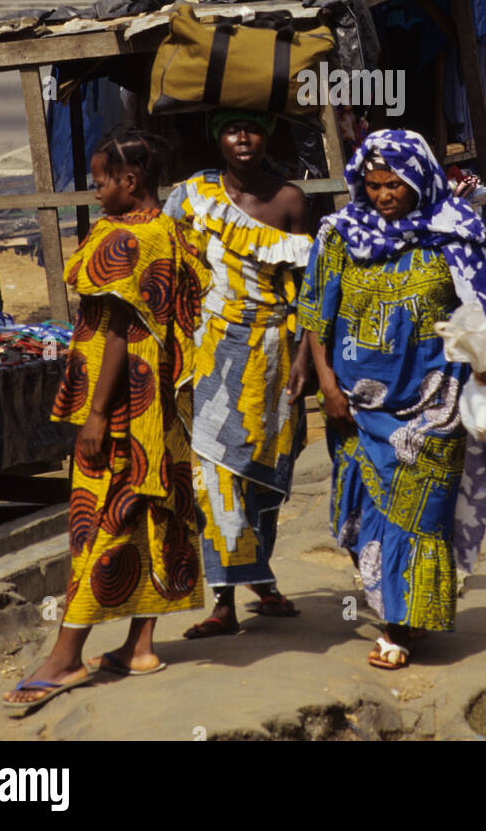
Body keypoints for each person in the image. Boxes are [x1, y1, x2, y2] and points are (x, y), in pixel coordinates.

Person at [297, 130, 486, 671]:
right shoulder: (339, 234)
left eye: (397, 185)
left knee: (420, 516)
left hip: (436, 402)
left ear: (420, 182)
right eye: (376, 184)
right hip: (357, 407)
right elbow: (316, 315)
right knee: (366, 509)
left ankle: (396, 629)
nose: (385, 195)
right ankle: (402, 610)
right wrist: (327, 387)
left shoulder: (454, 233)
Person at [3, 132, 208, 713]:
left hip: (122, 406)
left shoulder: (125, 236)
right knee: (150, 514)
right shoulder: (168, 231)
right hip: (160, 402)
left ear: (131, 181)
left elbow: (118, 331)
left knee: (100, 524)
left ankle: (66, 657)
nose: (95, 189)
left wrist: (95, 413)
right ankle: (139, 647)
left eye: (100, 179)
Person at [163, 111, 312, 638]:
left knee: (265, 470)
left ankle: (262, 579)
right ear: (216, 138)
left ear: (267, 135)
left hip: (273, 355)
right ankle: (224, 601)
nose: (242, 139)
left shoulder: (290, 199)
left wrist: (304, 358)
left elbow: (306, 291)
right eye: (231, 129)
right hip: (210, 353)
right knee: (214, 476)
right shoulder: (193, 197)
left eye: (251, 129)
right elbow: (172, 271)